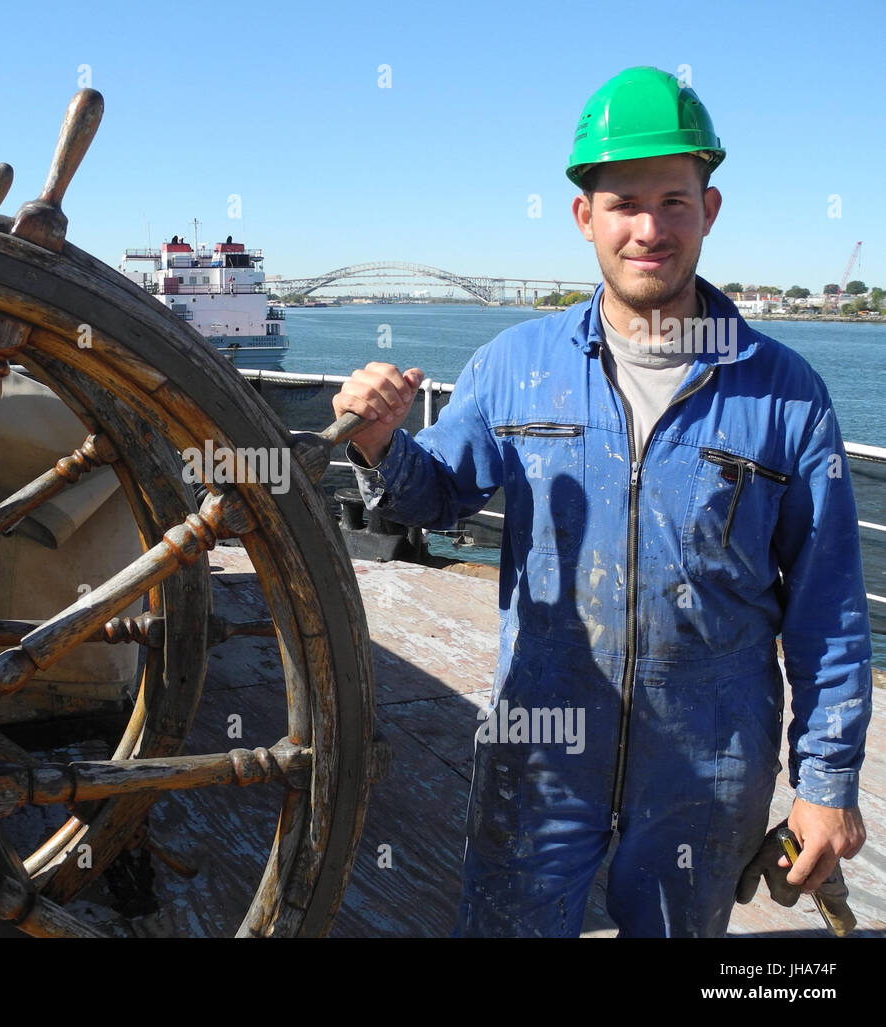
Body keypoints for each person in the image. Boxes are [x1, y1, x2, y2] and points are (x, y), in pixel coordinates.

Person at [331, 66, 873, 937]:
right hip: (540, 750)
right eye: (623, 202)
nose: (649, 228)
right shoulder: (514, 365)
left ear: (711, 207)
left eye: (674, 200)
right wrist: (380, 442)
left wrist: (826, 782)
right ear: (584, 216)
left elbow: (829, 607)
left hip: (710, 765)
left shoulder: (786, 393)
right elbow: (429, 499)